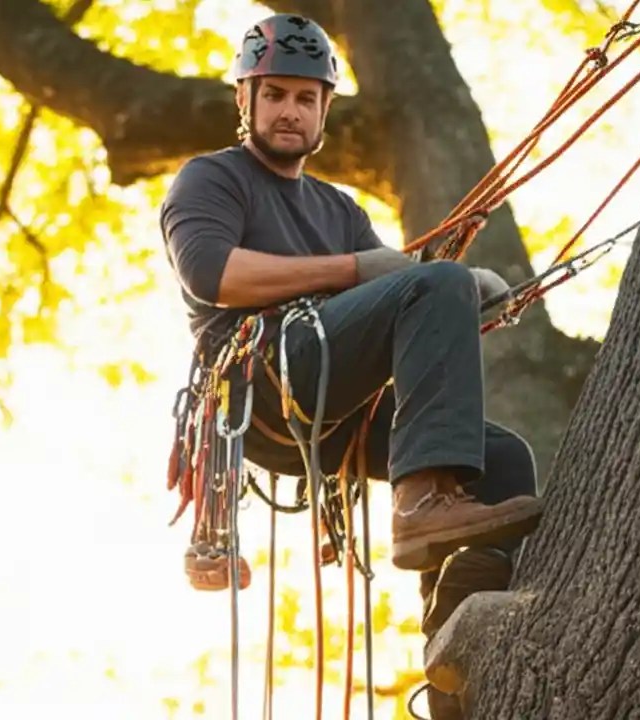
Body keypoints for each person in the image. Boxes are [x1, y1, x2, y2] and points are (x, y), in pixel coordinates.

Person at [159, 15, 543, 712]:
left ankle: (456, 659)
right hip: (266, 379)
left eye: (306, 99)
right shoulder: (211, 179)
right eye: (274, 94)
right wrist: (371, 272)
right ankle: (422, 503)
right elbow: (211, 274)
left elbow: (402, 294)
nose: (289, 111)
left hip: (338, 406)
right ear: (244, 99)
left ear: (324, 111)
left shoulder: (335, 207)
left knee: (504, 459)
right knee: (436, 286)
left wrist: (470, 298)